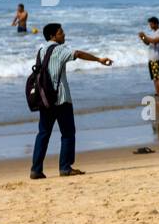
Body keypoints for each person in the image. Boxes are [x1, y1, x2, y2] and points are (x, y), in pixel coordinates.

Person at [30, 22, 113, 179]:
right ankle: (65, 168)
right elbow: (79, 54)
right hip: (61, 99)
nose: (64, 34)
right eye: (61, 32)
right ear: (53, 36)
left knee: (43, 133)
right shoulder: (60, 50)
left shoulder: (40, 50)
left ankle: (36, 169)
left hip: (45, 99)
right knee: (68, 133)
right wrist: (99, 60)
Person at [138, 16, 159, 97]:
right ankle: (157, 93)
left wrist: (145, 36)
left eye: (151, 24)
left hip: (156, 57)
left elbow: (155, 41)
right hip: (151, 57)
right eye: (150, 24)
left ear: (156, 23)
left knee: (158, 76)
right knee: (154, 77)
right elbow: (147, 43)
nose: (150, 26)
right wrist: (142, 37)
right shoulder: (152, 33)